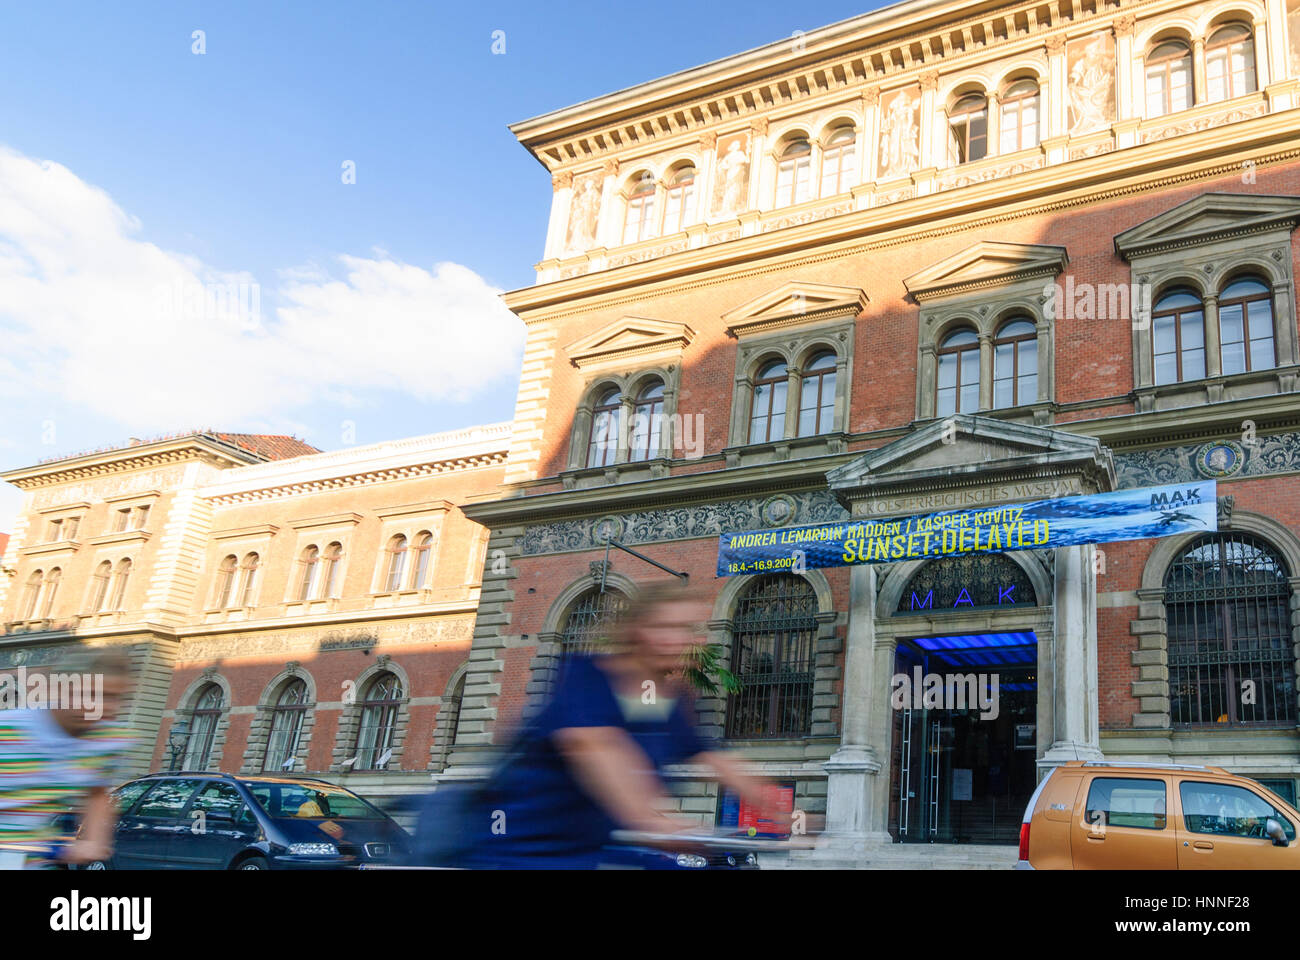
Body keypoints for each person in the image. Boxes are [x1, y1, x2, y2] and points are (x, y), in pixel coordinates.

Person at [455, 580, 783, 869]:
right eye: (666, 627)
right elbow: (597, 747)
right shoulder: (587, 677)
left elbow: (714, 758)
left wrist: (779, 811)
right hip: (526, 850)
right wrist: (650, 820)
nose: (678, 639)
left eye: (686, 628)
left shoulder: (669, 704)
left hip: (593, 848)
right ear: (637, 631)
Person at [0, 648, 134, 869]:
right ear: (61, 690)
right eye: (93, 694)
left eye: (115, 697)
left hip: (32, 859)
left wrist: (94, 840)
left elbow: (97, 793)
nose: (108, 708)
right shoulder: (7, 729)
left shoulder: (106, 741)